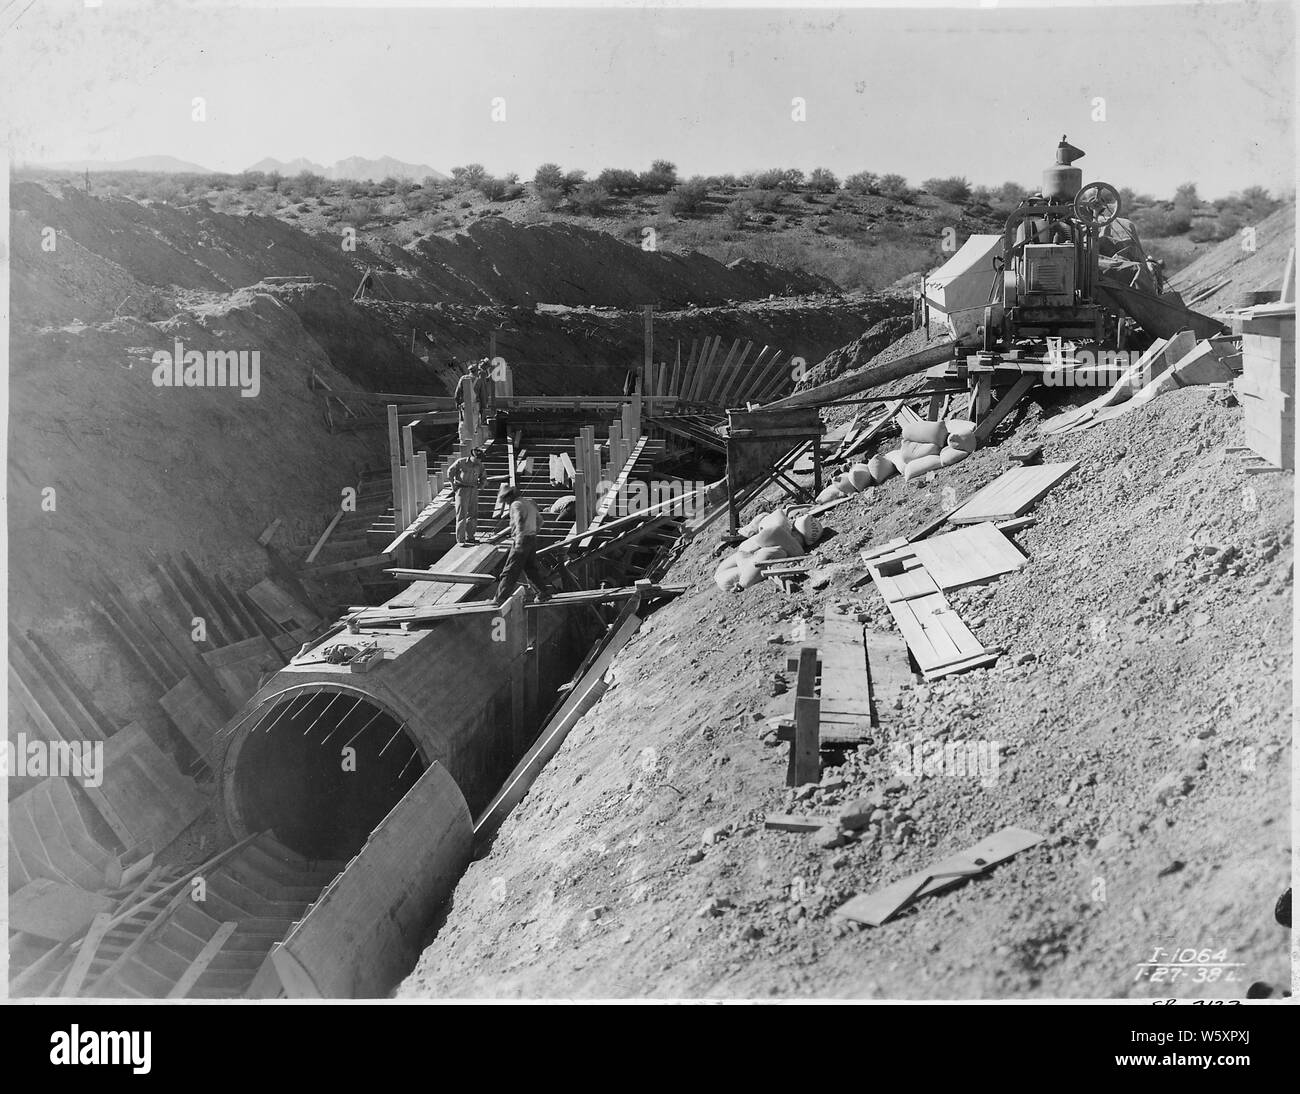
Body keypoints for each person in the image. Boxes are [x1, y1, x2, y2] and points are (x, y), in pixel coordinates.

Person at [493, 484, 554, 605]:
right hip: (531, 539)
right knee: (530, 569)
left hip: (522, 540)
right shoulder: (527, 502)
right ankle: (543, 593)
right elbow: (540, 521)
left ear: (508, 497)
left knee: (510, 570)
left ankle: (500, 599)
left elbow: (519, 520)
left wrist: (519, 541)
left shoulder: (515, 505)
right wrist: (533, 532)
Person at [445, 447, 486, 545]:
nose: (479, 461)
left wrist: (482, 484)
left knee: (473, 514)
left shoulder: (480, 465)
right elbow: (450, 473)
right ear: (472, 456)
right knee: (461, 515)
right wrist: (452, 485)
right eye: (477, 458)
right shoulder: (461, 462)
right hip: (462, 490)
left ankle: (470, 537)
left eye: (480, 459)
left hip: (473, 490)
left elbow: (483, 476)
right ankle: (461, 539)